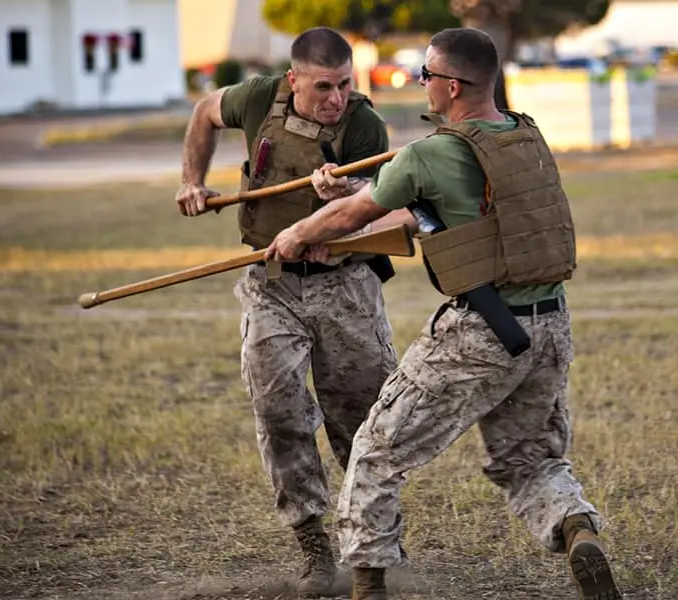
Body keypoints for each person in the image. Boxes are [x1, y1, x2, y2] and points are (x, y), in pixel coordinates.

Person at [264, 27, 624, 600]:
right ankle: (577, 529)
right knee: (527, 456)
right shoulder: (521, 137)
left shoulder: (428, 154)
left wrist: (295, 234)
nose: (421, 83)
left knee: (377, 447)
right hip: (548, 326)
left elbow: (352, 217)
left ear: (452, 86)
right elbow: (424, 213)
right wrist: (356, 196)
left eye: (427, 75)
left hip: (482, 331)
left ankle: (368, 582)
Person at [174, 26, 400, 597]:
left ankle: (370, 548)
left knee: (363, 421)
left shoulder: (364, 124)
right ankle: (313, 546)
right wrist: (192, 183)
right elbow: (203, 113)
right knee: (279, 411)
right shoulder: (256, 98)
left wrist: (342, 205)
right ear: (293, 79)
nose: (337, 98)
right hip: (271, 281)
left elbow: (383, 204)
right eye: (324, 86)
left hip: (344, 284)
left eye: (345, 84)